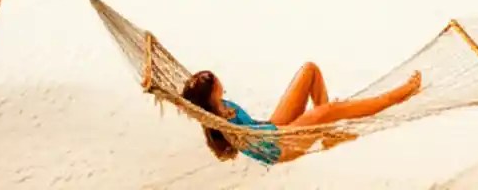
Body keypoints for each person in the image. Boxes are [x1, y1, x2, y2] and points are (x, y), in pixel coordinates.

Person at [180, 63, 422, 164]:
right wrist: (313, 120)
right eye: (210, 80)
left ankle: (328, 135)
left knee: (310, 70)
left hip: (270, 128)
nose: (213, 77)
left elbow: (189, 100)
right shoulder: (221, 124)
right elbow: (229, 143)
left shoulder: (219, 104)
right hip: (279, 145)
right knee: (332, 110)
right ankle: (402, 93)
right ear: (210, 95)